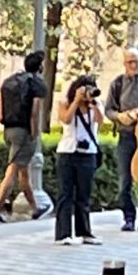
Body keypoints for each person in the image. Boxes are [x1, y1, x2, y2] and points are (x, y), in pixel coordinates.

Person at [0, 51, 53, 223]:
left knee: (22, 171)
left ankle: (35, 208)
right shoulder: (36, 83)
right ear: (40, 66)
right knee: (13, 169)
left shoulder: (11, 81)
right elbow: (35, 111)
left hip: (8, 129)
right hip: (23, 131)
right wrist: (34, 132)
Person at [104, 48, 138, 231]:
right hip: (126, 135)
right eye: (129, 62)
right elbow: (109, 110)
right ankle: (128, 217)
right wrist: (121, 116)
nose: (133, 65)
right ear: (124, 63)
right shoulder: (117, 83)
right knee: (124, 181)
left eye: (136, 61)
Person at [53, 73, 104, 245]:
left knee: (84, 195)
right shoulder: (65, 103)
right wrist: (76, 101)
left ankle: (85, 232)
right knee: (65, 194)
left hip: (88, 153)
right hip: (67, 152)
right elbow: (66, 119)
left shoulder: (95, 106)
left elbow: (100, 122)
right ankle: (63, 234)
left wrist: (94, 104)